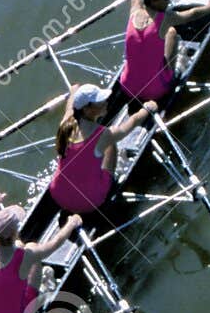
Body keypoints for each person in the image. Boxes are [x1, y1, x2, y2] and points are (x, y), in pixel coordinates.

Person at [50, 83, 158, 221]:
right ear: (87, 109)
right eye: (99, 102)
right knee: (111, 145)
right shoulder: (103, 135)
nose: (105, 102)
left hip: (58, 196)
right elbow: (131, 123)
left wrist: (73, 93)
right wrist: (147, 109)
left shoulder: (66, 124)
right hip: (89, 202)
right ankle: (114, 176)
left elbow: (69, 108)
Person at [118, 0, 210, 105]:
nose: (169, 0)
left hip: (127, 87)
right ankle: (177, 69)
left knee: (168, 33)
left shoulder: (134, 12)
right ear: (154, 0)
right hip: (155, 91)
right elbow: (193, 14)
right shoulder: (166, 18)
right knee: (172, 32)